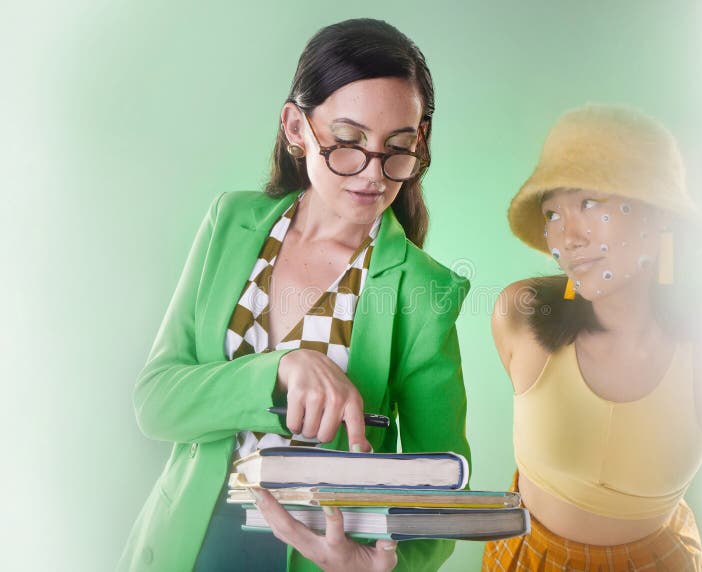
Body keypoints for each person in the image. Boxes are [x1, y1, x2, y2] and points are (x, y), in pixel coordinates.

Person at [118, 18, 471, 572]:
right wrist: (281, 370)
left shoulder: (423, 291)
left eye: (396, 148)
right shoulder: (230, 222)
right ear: (296, 127)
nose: (372, 175)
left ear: (418, 141)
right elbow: (156, 402)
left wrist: (387, 567)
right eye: (349, 143)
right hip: (184, 546)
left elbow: (441, 494)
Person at [482, 105, 702, 571]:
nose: (567, 237)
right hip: (525, 557)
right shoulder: (519, 318)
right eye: (552, 213)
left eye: (587, 203)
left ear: (659, 215)